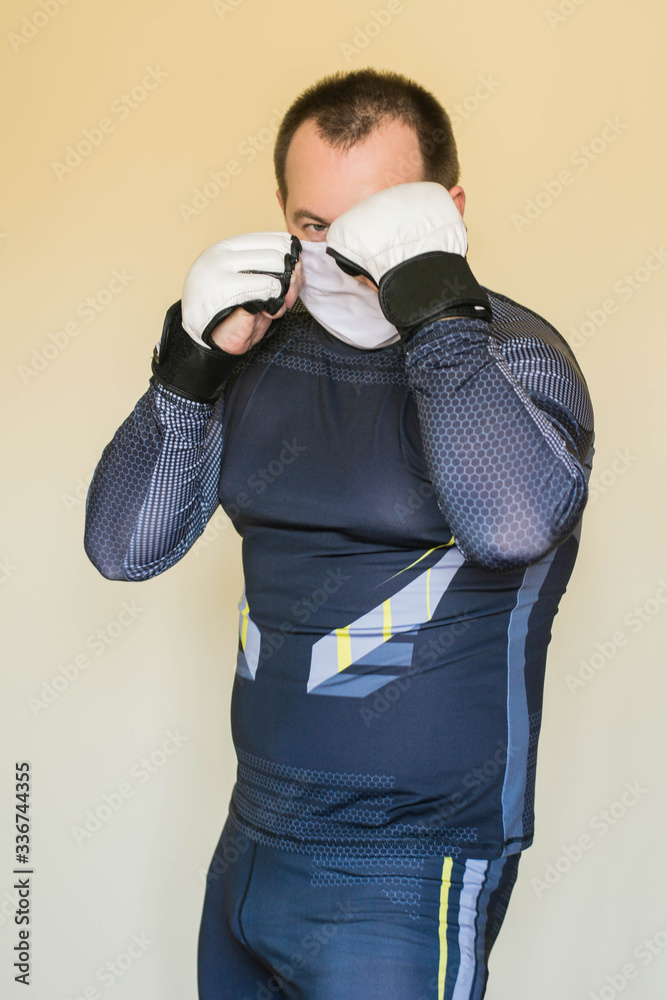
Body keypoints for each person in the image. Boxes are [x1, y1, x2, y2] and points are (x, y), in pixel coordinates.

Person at [83, 68, 595, 1000]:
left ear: (448, 210)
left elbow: (512, 523)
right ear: (283, 217)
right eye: (317, 229)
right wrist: (187, 369)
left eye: (377, 227)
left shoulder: (513, 359)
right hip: (248, 847)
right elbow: (124, 548)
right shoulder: (256, 351)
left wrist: (434, 307)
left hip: (408, 869)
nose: (344, 261)